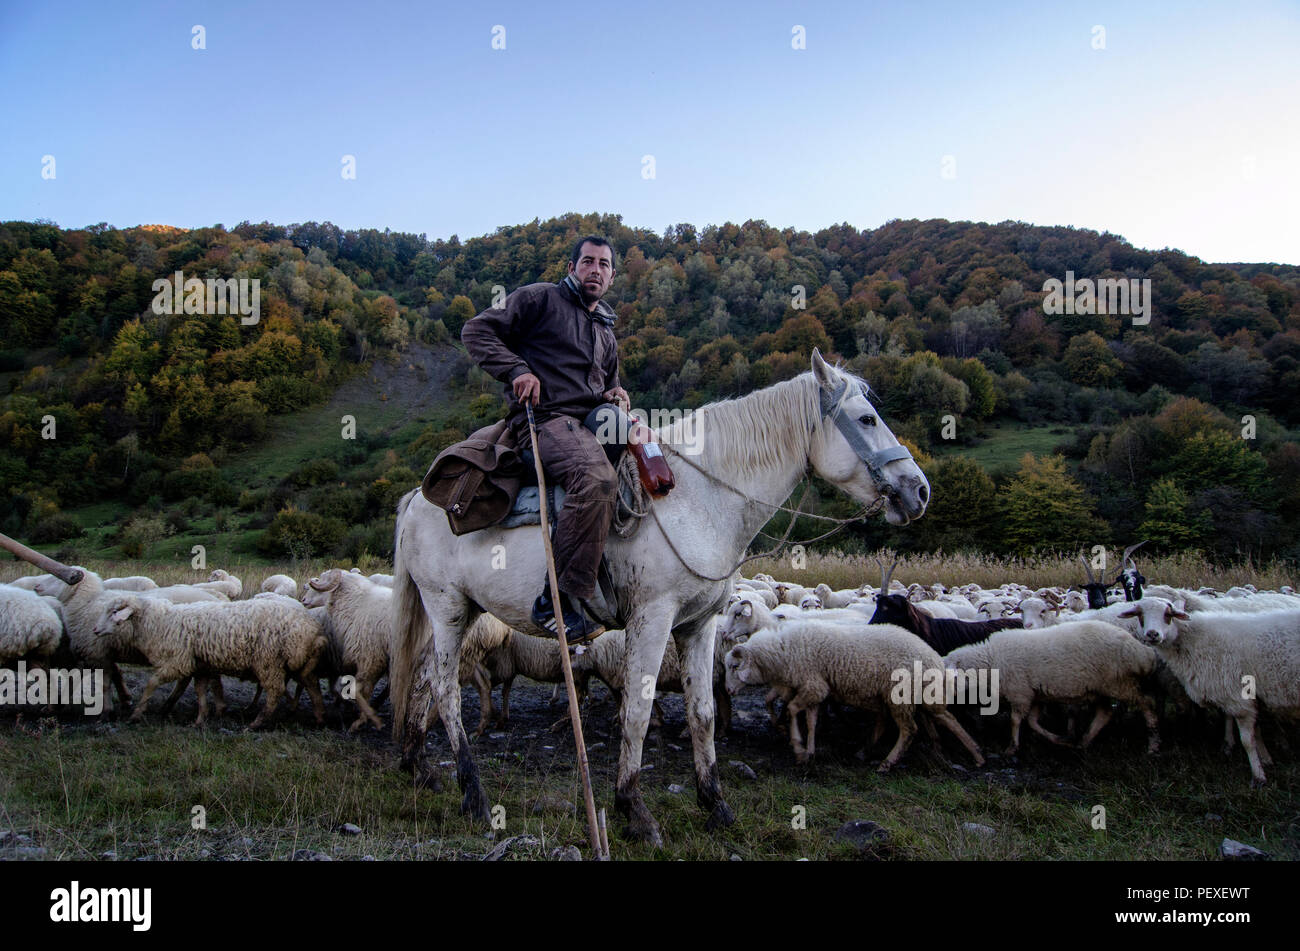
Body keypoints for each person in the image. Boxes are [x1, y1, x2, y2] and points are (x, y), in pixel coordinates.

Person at [461, 235, 632, 641]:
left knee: (629, 444)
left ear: (611, 276)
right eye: (587, 261)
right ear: (572, 267)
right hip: (544, 420)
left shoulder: (606, 331)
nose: (596, 269)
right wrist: (518, 369)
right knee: (598, 479)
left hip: (587, 425)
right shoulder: (539, 299)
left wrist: (616, 394)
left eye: (604, 264)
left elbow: (608, 384)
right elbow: (476, 331)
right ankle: (556, 601)